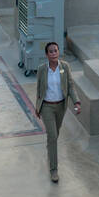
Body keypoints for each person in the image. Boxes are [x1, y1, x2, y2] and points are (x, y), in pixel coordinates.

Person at [34, 41, 76, 183]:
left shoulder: (65, 67)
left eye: (55, 51)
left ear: (59, 52)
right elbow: (39, 89)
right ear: (46, 54)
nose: (53, 53)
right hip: (47, 107)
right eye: (50, 51)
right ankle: (54, 170)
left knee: (55, 134)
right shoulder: (41, 69)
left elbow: (70, 86)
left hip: (61, 107)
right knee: (52, 136)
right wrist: (37, 107)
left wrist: (76, 101)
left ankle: (50, 151)